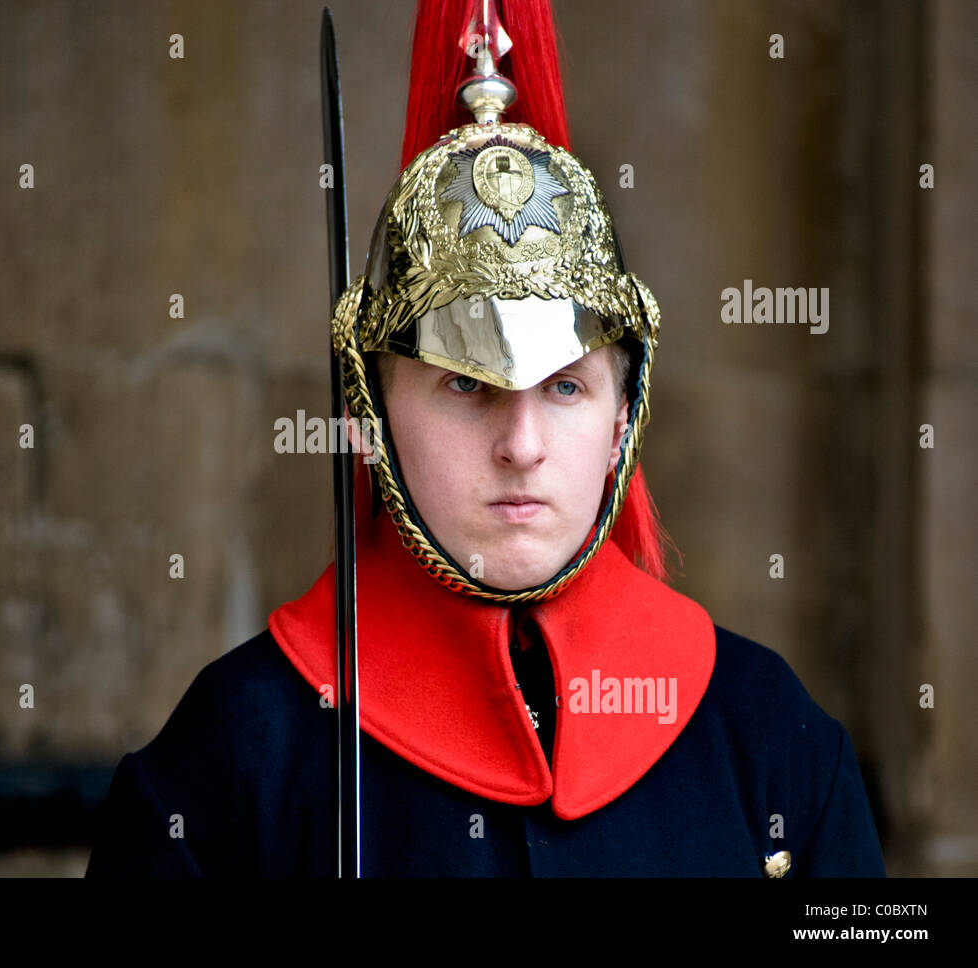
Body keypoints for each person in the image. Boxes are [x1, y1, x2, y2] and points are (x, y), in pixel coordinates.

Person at [85, 0, 885, 877]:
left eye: (567, 387)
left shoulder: (773, 739)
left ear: (624, 414)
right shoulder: (231, 758)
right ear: (373, 412)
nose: (523, 444)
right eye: (468, 386)